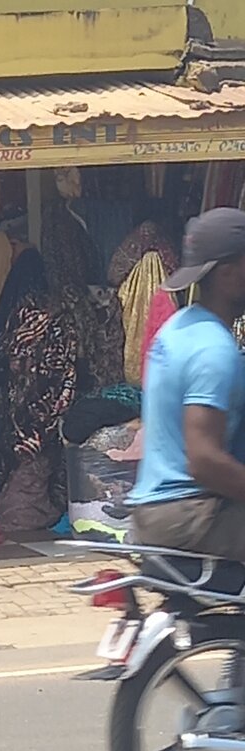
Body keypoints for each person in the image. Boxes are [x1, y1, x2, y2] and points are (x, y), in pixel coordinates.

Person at [129, 207, 245, 560]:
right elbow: (204, 460)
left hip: (151, 513)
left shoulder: (179, 328)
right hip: (188, 516)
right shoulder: (214, 349)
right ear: (227, 275)